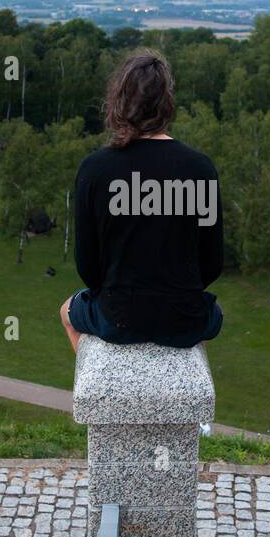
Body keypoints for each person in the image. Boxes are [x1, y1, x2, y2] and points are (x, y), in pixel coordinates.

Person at [59, 49, 224, 352]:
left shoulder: (95, 168)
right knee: (216, 314)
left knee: (66, 312)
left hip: (117, 316)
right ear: (167, 103)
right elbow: (212, 263)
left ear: (119, 101)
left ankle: (100, 391)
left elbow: (88, 267)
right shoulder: (199, 167)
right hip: (186, 319)